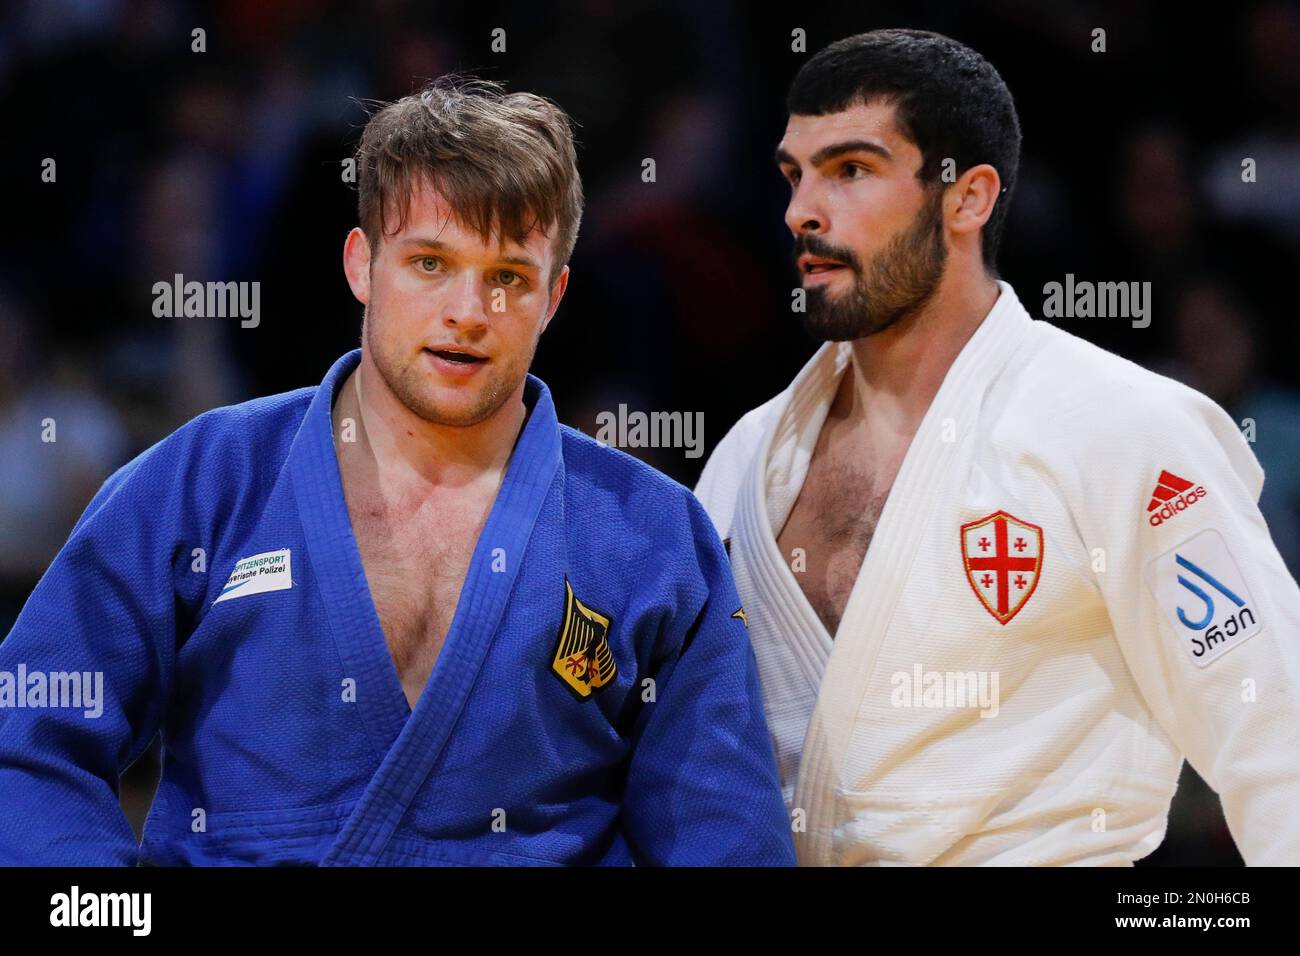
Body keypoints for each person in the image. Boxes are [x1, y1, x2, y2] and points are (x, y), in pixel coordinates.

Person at [0, 76, 793, 867]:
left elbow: (724, 840)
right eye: (429, 262)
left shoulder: (652, 536)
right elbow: (28, 745)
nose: (468, 311)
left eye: (509, 276)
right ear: (361, 264)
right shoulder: (205, 480)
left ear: (554, 296)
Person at [695, 29, 1300, 866]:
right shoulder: (745, 456)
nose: (802, 209)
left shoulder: (1125, 427)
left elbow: (1277, 729)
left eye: (851, 170)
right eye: (795, 174)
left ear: (968, 198)